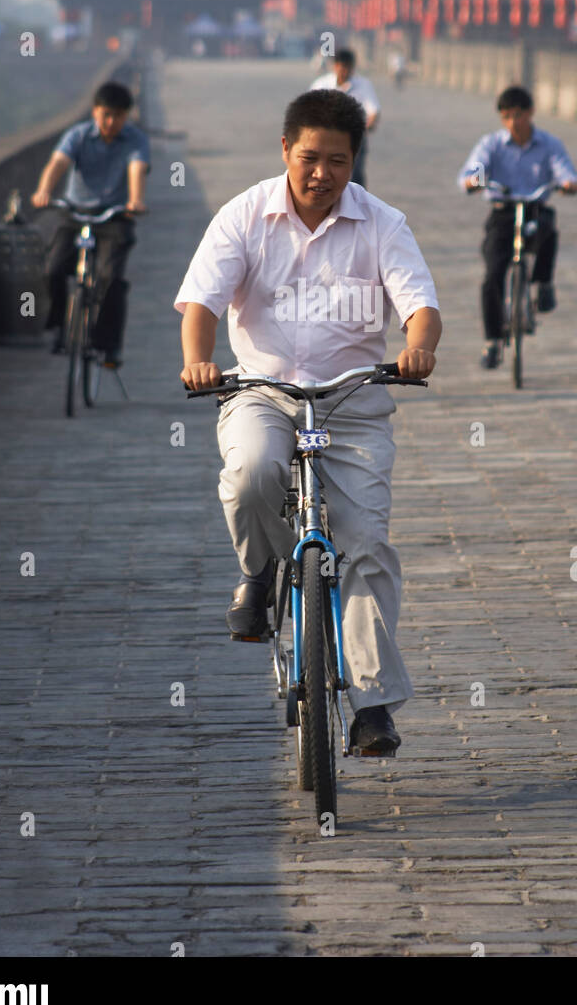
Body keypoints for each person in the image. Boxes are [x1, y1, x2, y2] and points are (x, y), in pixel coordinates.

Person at [175, 88, 441, 756]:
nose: (322, 174)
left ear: (355, 161)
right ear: (286, 151)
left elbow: (418, 303)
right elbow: (202, 303)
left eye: (338, 161)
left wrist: (418, 346)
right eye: (309, 158)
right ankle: (260, 569)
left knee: (364, 547)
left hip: (351, 404)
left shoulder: (383, 224)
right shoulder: (243, 217)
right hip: (261, 391)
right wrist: (198, 362)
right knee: (250, 474)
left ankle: (372, 705)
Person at [457, 85, 577, 370]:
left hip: (535, 208)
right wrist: (475, 181)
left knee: (549, 228)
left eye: (519, 115)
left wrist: (568, 184)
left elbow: (566, 172)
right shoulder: (491, 144)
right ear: (502, 118)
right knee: (491, 276)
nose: (514, 122)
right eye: (507, 116)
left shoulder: (549, 144)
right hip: (503, 212)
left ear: (530, 113)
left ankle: (544, 283)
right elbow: (474, 170)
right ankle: (492, 341)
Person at [31, 80, 149, 367]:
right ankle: (59, 323)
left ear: (126, 116)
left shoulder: (135, 140)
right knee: (52, 269)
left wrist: (135, 200)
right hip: (74, 213)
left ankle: (108, 346)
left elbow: (137, 168)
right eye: (105, 114)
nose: (111, 122)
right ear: (95, 112)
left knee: (111, 279)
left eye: (118, 116)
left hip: (114, 217)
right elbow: (58, 162)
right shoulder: (78, 135)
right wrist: (44, 190)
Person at [309, 47, 380, 189]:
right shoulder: (322, 84)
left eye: (348, 67)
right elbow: (309, 109)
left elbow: (374, 111)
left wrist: (367, 126)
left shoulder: (363, 85)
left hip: (354, 136)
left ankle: (358, 204)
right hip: (326, 137)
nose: (345, 71)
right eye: (342, 67)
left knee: (355, 174)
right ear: (335, 66)